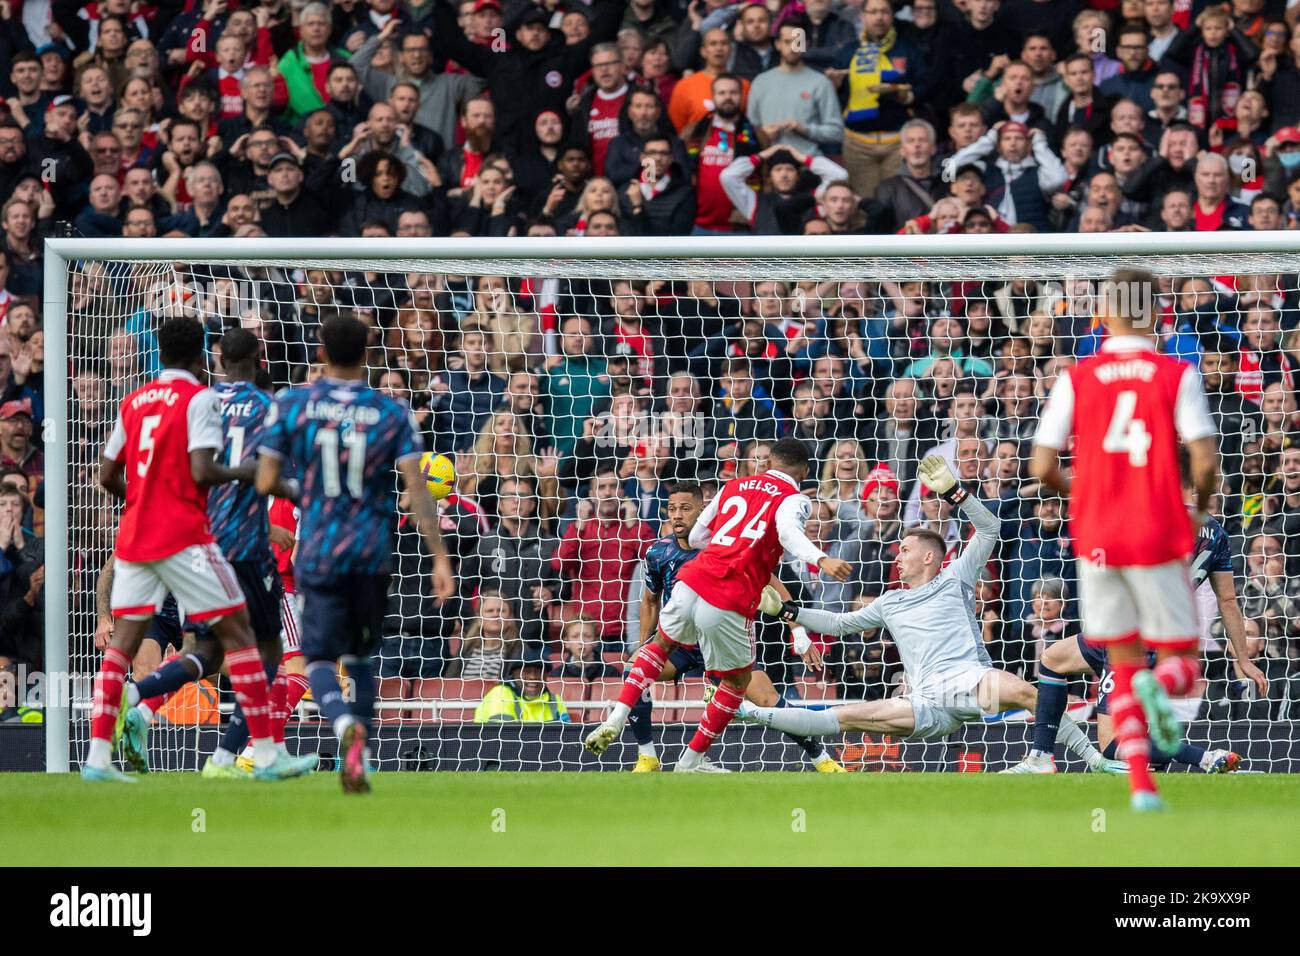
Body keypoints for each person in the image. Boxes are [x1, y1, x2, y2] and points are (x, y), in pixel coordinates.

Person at [738, 457, 1119, 774]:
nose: (897, 556)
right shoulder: (890, 602)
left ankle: (1081, 760)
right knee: (838, 717)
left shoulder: (956, 577)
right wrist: (790, 611)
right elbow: (839, 625)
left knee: (1026, 692)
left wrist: (955, 492)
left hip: (970, 683)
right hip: (925, 704)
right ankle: (746, 713)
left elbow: (990, 528)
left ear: (929, 557)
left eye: (904, 550)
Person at [83, 318, 309, 783]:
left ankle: (99, 757)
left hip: (135, 536)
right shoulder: (202, 399)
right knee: (248, 642)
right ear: (201, 357)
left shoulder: (132, 400)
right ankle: (259, 756)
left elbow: (105, 476)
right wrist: (253, 477)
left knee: (132, 647)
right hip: (195, 538)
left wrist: (141, 500)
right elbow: (204, 470)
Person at [1030, 267, 1221, 812]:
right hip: (1156, 527)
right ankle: (1164, 688)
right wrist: (1200, 507)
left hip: (1097, 535)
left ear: (1103, 315)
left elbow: (1042, 463)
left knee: (1124, 659)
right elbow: (1205, 459)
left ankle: (1141, 788)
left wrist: (1083, 493)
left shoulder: (1078, 376)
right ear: (1158, 313)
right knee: (1181, 659)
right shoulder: (1175, 373)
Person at [256, 316, 455, 793]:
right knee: (363, 658)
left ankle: (343, 723)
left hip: (318, 551)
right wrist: (440, 558)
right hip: (370, 552)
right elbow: (418, 491)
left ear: (321, 351)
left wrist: (305, 490)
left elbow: (263, 481)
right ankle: (359, 758)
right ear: (367, 353)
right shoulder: (390, 412)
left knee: (317, 659)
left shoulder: (294, 404)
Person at [583, 438, 852, 772]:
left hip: (693, 583)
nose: (678, 515)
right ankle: (680, 758)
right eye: (673, 509)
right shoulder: (793, 498)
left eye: (685, 508)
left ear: (767, 462)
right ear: (806, 471)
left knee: (659, 650)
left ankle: (616, 716)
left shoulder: (733, 487)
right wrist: (821, 558)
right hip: (724, 601)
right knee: (736, 684)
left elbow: (698, 538)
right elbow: (788, 533)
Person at [1005, 489, 1267, 773]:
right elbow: (1227, 600)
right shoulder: (1216, 532)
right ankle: (1041, 756)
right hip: (1152, 632)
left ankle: (1207, 757)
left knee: (1112, 745)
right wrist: (1243, 659)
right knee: (1053, 660)